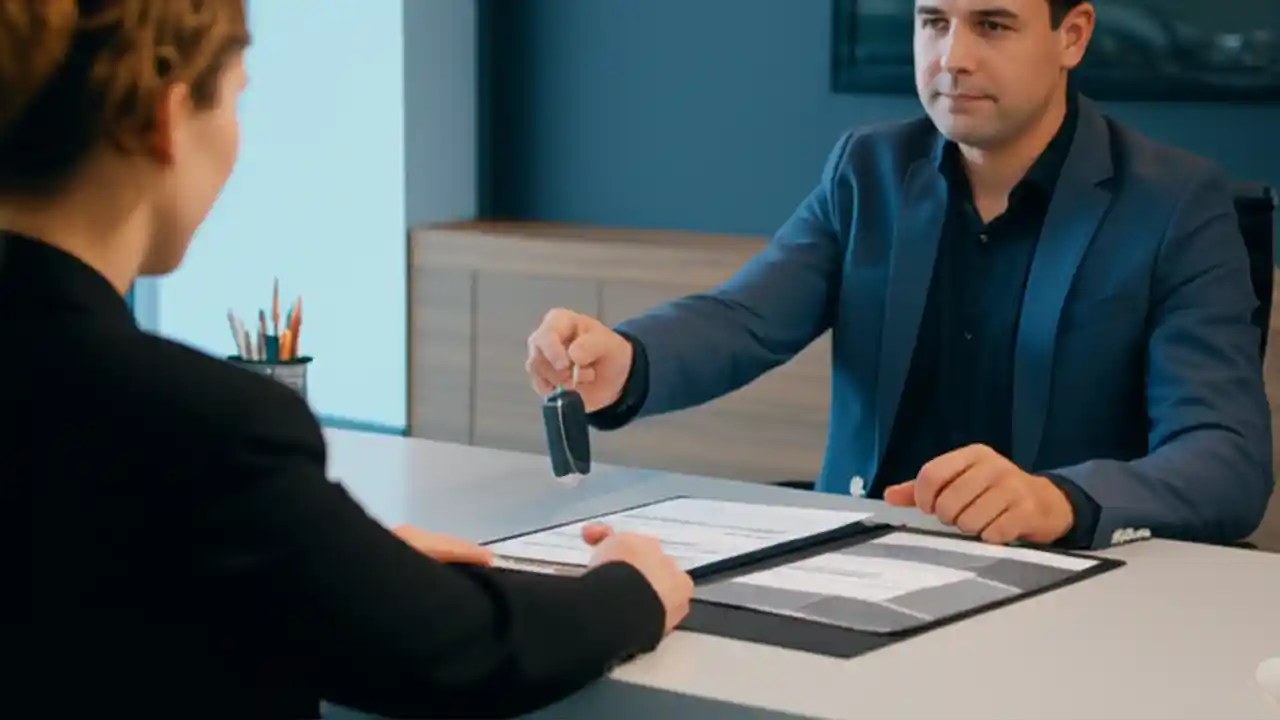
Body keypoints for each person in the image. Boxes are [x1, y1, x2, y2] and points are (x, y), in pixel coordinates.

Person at [0, 1, 693, 717]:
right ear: (164, 122)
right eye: (236, 99)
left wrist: (331, 561)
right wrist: (628, 587)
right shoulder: (202, 424)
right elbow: (457, 652)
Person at [526, 0, 1274, 551]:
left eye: (992, 25)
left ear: (1071, 35)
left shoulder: (1176, 203)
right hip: (861, 562)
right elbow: (745, 317)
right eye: (932, 22)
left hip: (1061, 580)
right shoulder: (868, 170)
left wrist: (1060, 499)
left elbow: (1225, 462)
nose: (952, 57)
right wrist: (624, 361)